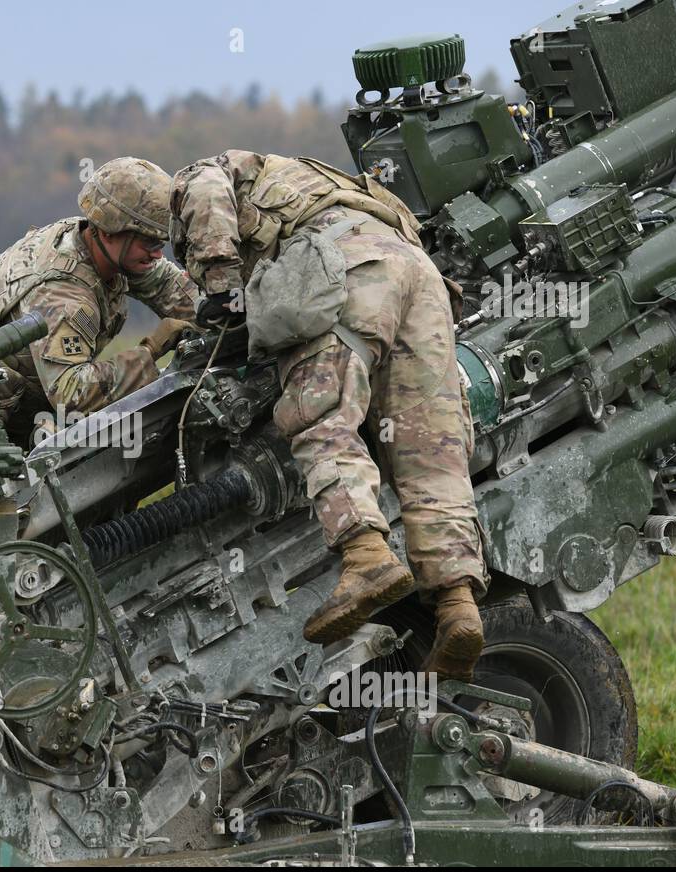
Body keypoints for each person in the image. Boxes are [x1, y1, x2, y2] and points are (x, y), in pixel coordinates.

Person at [170, 151, 488, 679]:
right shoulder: (307, 175)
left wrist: (221, 286)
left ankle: (364, 558)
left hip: (348, 269)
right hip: (419, 277)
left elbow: (203, 191)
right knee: (431, 453)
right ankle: (457, 605)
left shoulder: (202, 173)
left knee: (320, 418)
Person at [0, 157, 197, 446]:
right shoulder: (63, 296)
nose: (157, 254)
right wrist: (150, 352)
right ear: (112, 230)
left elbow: (173, 289)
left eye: (161, 244)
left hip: (3, 389)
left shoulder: (98, 242)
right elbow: (72, 394)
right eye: (149, 242)